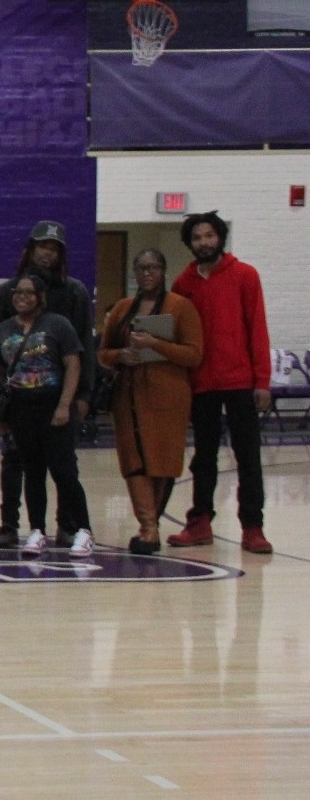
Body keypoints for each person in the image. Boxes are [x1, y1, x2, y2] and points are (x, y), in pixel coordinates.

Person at [0, 220, 94, 547]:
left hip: (59, 396)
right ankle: (10, 525)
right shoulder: (7, 292)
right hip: (17, 399)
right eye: (42, 246)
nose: (47, 253)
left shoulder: (74, 292)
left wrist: (83, 395)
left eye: (54, 248)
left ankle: (68, 525)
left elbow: (83, 350)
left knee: (63, 465)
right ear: (30, 249)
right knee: (15, 461)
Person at [168, 211, 273, 553]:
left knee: (248, 456)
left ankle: (253, 527)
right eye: (197, 238)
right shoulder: (183, 284)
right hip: (201, 383)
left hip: (240, 381)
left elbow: (257, 327)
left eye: (209, 236)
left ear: (220, 238)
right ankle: (200, 522)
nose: (204, 243)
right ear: (189, 243)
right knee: (203, 457)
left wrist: (262, 379)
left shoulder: (245, 275)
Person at [97, 249, 203, 555]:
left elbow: (194, 355)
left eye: (153, 267)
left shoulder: (181, 307)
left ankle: (150, 527)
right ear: (134, 273)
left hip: (168, 396)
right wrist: (120, 355)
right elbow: (102, 353)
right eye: (141, 268)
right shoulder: (122, 308)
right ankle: (148, 528)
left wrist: (156, 344)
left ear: (163, 271)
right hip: (127, 397)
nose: (147, 273)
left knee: (162, 461)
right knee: (134, 461)